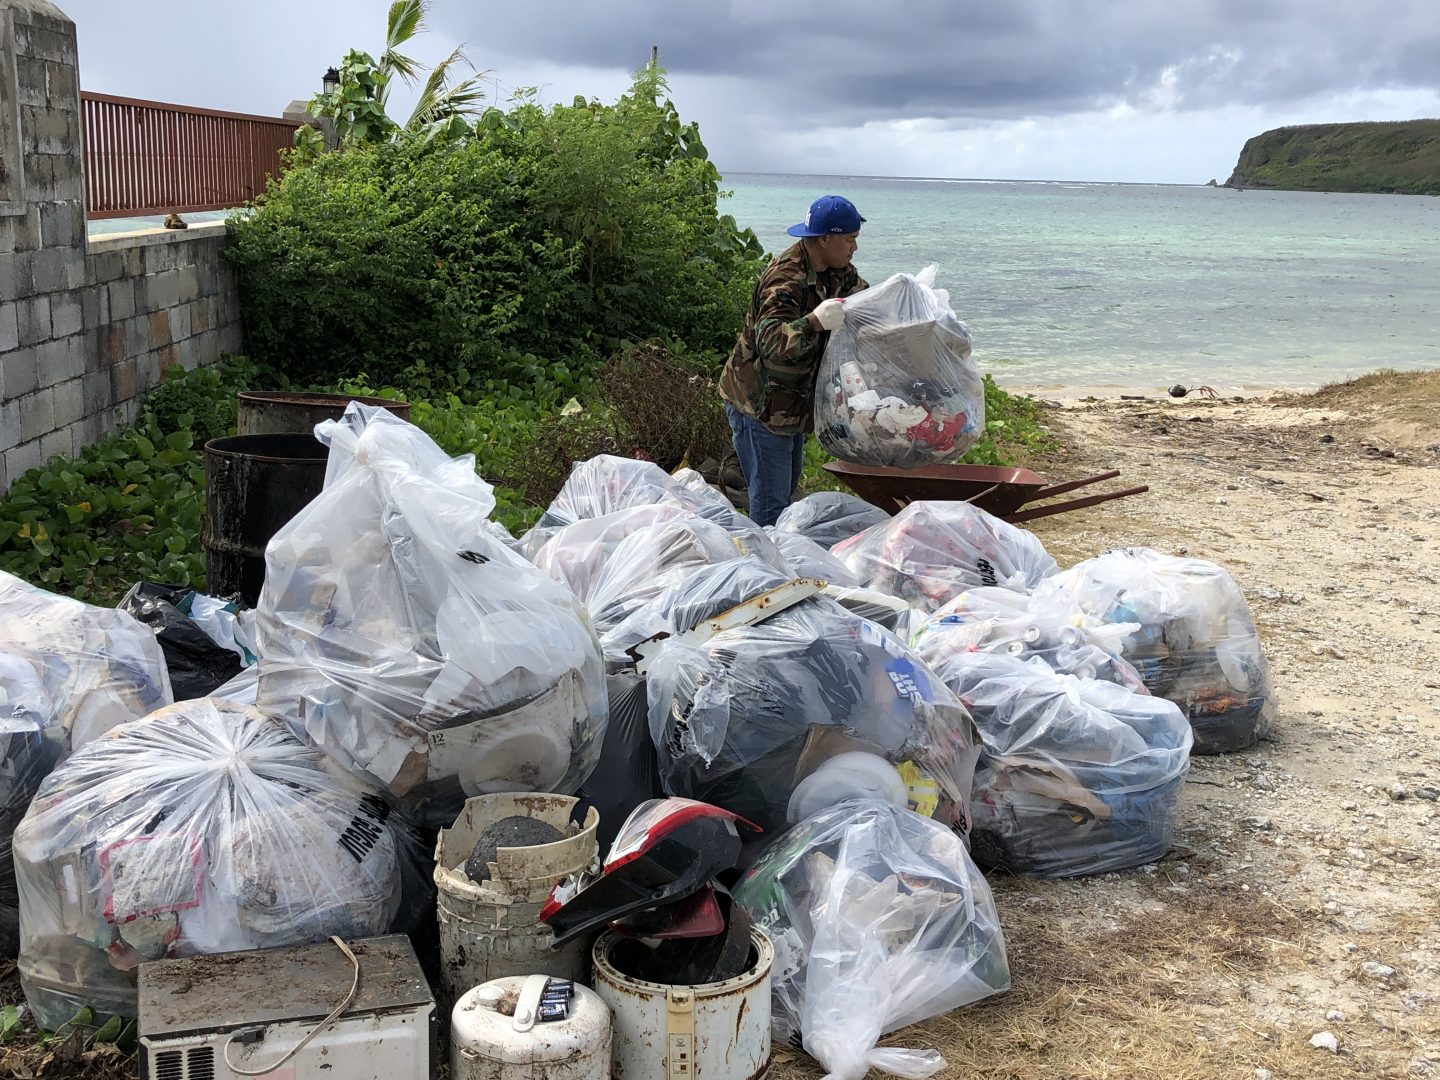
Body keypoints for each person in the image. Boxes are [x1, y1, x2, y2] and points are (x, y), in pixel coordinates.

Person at [719, 194, 868, 526]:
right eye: (849, 240)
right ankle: (765, 572)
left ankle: (778, 561)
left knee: (785, 494)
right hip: (759, 406)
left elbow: (865, 300)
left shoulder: (838, 271)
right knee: (771, 503)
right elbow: (771, 342)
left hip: (791, 404)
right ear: (825, 239)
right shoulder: (785, 279)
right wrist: (814, 321)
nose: (854, 248)